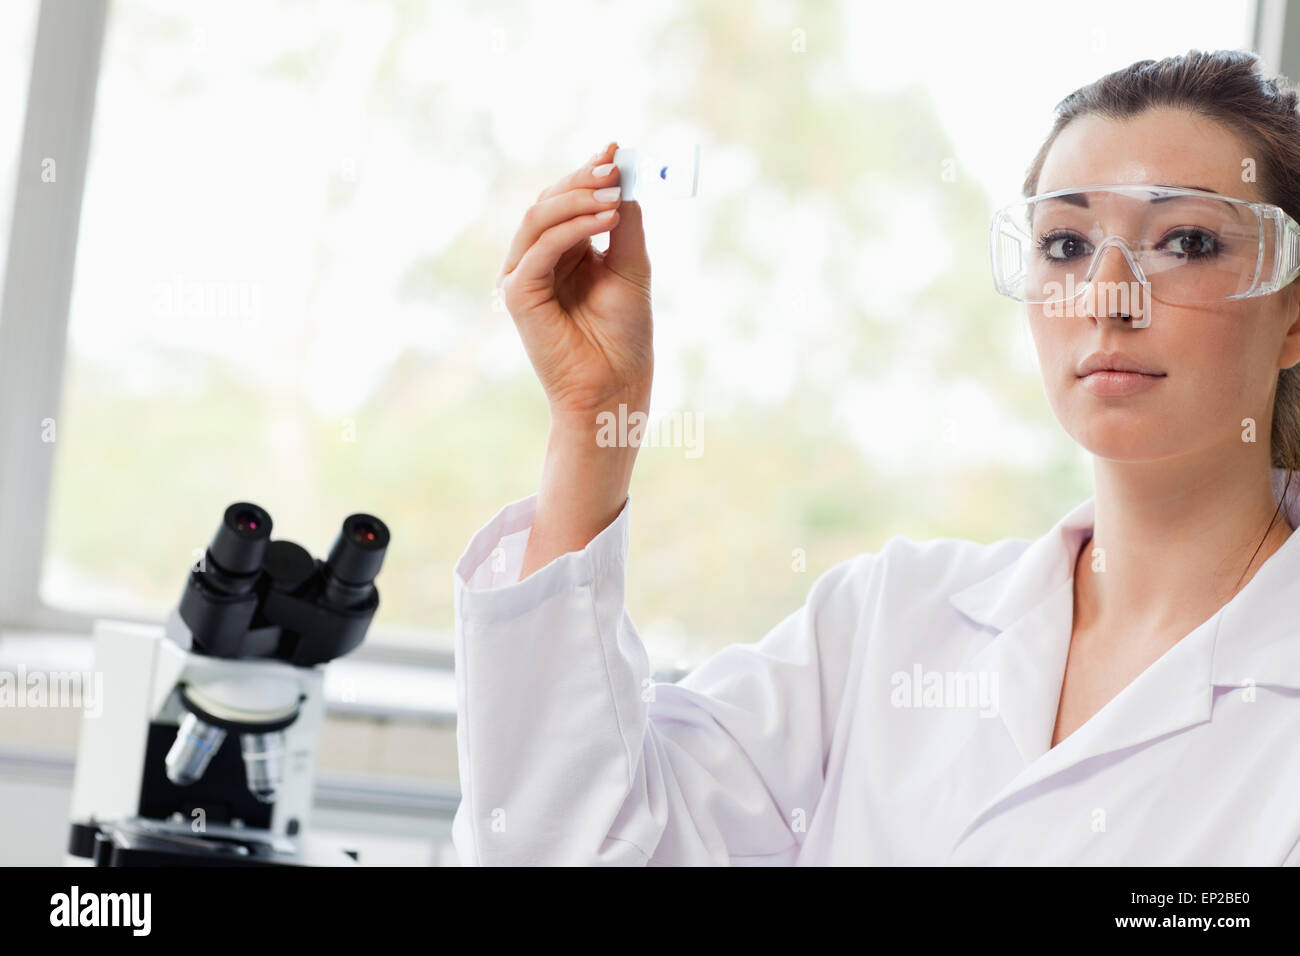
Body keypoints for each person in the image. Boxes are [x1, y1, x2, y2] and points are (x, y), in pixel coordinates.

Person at [450, 49, 1300, 865]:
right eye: (1067, 245)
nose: (1108, 296)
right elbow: (558, 848)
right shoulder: (887, 625)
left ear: (1293, 315)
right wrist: (594, 417)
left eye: (1186, 241)